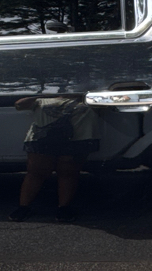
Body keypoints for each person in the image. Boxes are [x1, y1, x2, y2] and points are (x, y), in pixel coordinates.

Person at [9, 93, 100, 221]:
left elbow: (112, 105)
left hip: (76, 140)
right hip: (42, 139)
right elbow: (19, 104)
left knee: (68, 173)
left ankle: (64, 208)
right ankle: (23, 207)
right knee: (35, 172)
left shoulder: (91, 98)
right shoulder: (41, 99)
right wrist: (46, 94)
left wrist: (83, 94)